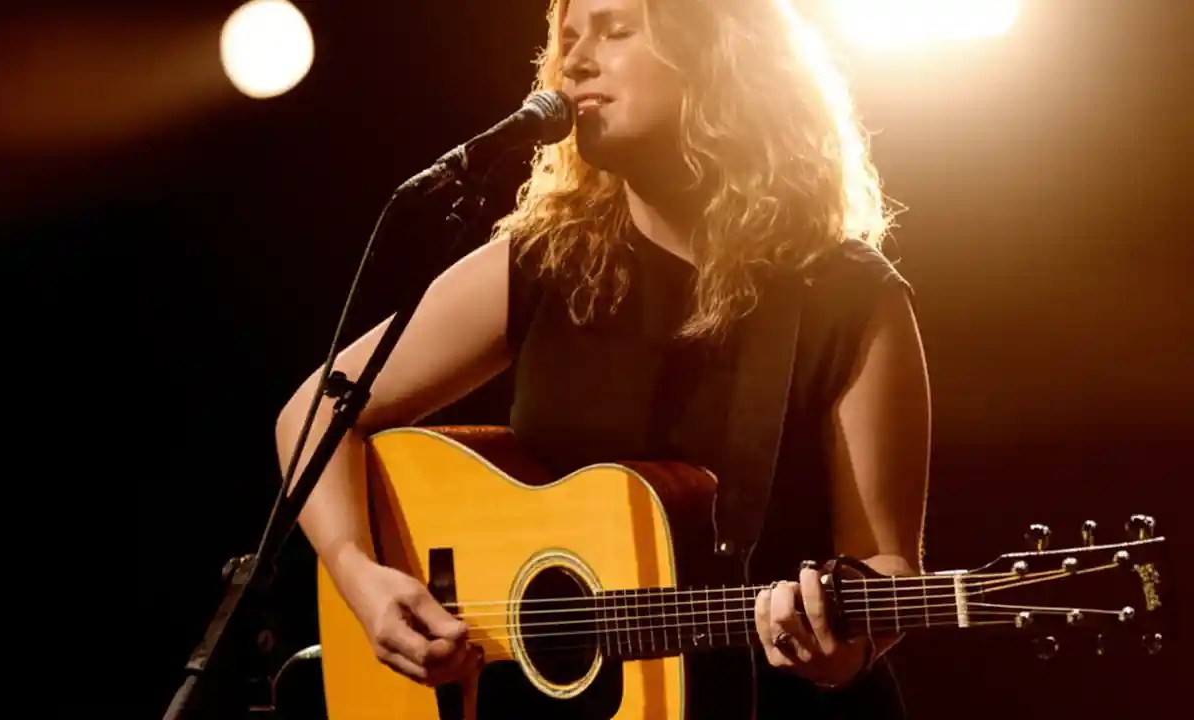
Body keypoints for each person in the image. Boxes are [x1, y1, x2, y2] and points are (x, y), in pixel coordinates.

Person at [274, 0, 930, 716]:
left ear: (721, 56)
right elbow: (315, 413)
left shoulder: (848, 297)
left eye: (617, 31)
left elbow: (887, 563)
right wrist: (358, 574)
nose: (577, 60)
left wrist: (842, 655)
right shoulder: (547, 262)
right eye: (569, 38)